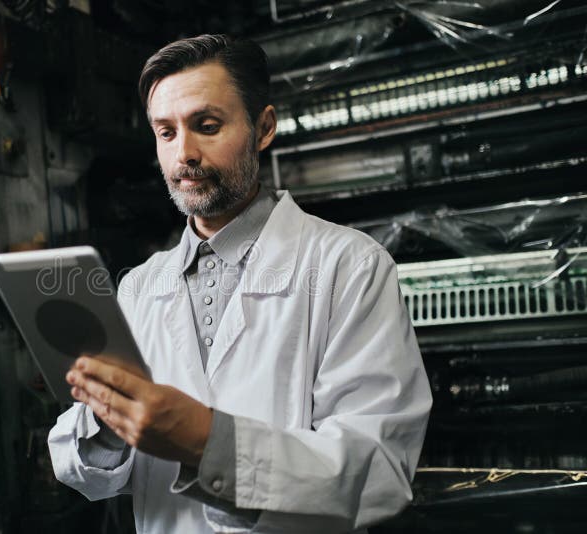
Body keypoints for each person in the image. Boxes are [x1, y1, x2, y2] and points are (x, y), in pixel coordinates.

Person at [48, 34, 432, 534]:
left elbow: (379, 470)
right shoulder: (138, 288)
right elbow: (96, 479)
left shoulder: (349, 266)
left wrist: (208, 443)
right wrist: (108, 422)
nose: (183, 153)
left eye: (207, 126)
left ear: (264, 128)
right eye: (166, 132)